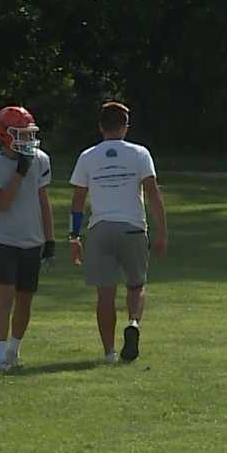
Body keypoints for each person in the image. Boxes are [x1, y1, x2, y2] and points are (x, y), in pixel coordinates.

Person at [68, 101, 168, 363]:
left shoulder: (88, 156)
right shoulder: (140, 154)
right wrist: (162, 232)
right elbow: (153, 194)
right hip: (133, 228)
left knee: (105, 294)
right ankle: (133, 322)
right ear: (125, 126)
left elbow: (78, 200)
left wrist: (74, 236)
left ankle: (109, 352)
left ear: (101, 126)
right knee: (136, 285)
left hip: (100, 229)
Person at [0, 105, 55, 371]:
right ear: (5, 135)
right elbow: (3, 203)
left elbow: (44, 201)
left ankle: (14, 351)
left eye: (29, 134)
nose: (27, 140)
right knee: (5, 297)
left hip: (32, 239)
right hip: (4, 239)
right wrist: (19, 172)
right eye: (21, 134)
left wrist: (49, 240)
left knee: (25, 299)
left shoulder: (40, 159)